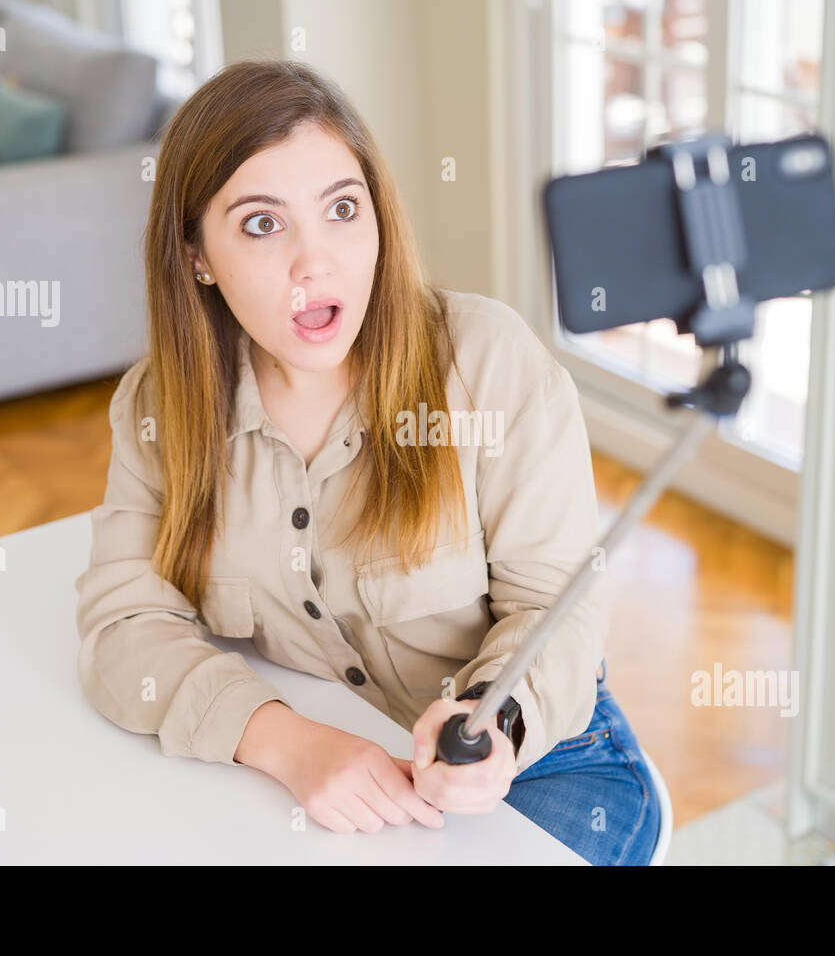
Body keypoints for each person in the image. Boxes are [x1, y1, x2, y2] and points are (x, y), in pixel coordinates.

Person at [73, 59, 661, 865]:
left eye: (342, 210)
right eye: (261, 223)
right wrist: (284, 741)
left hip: (544, 760)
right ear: (196, 256)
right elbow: (123, 627)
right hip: (337, 768)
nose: (316, 262)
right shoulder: (160, 406)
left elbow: (556, 611)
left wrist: (497, 724)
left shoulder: (487, 364)